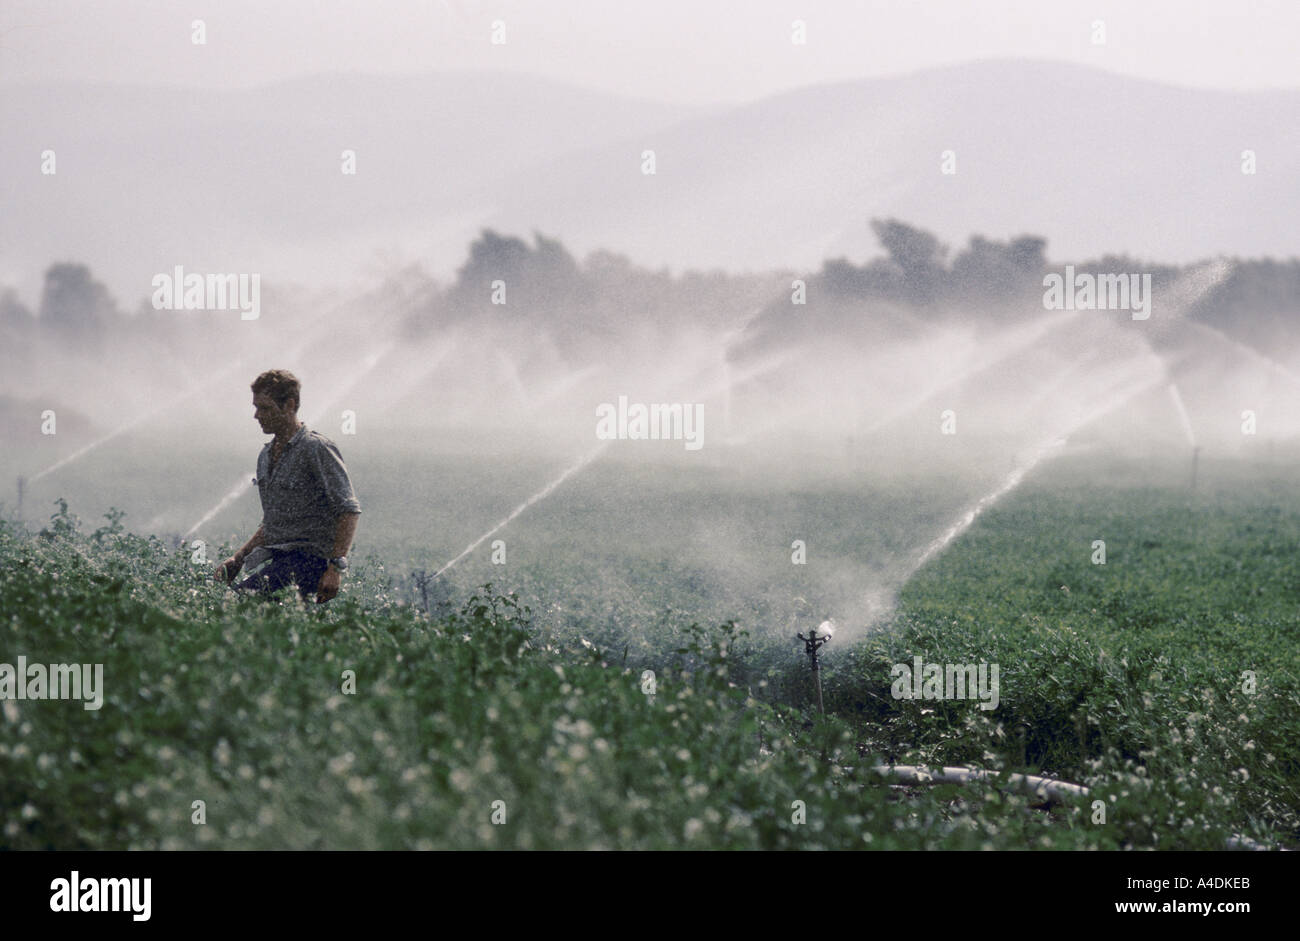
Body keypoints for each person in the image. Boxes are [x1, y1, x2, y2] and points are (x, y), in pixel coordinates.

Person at [213, 369, 361, 603]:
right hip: (281, 563)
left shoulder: (316, 449)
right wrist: (238, 559)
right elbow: (273, 524)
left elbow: (348, 510)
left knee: (237, 605)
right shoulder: (265, 456)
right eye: (255, 407)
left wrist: (335, 568)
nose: (256, 415)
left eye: (265, 408)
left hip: (311, 564)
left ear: (289, 405)